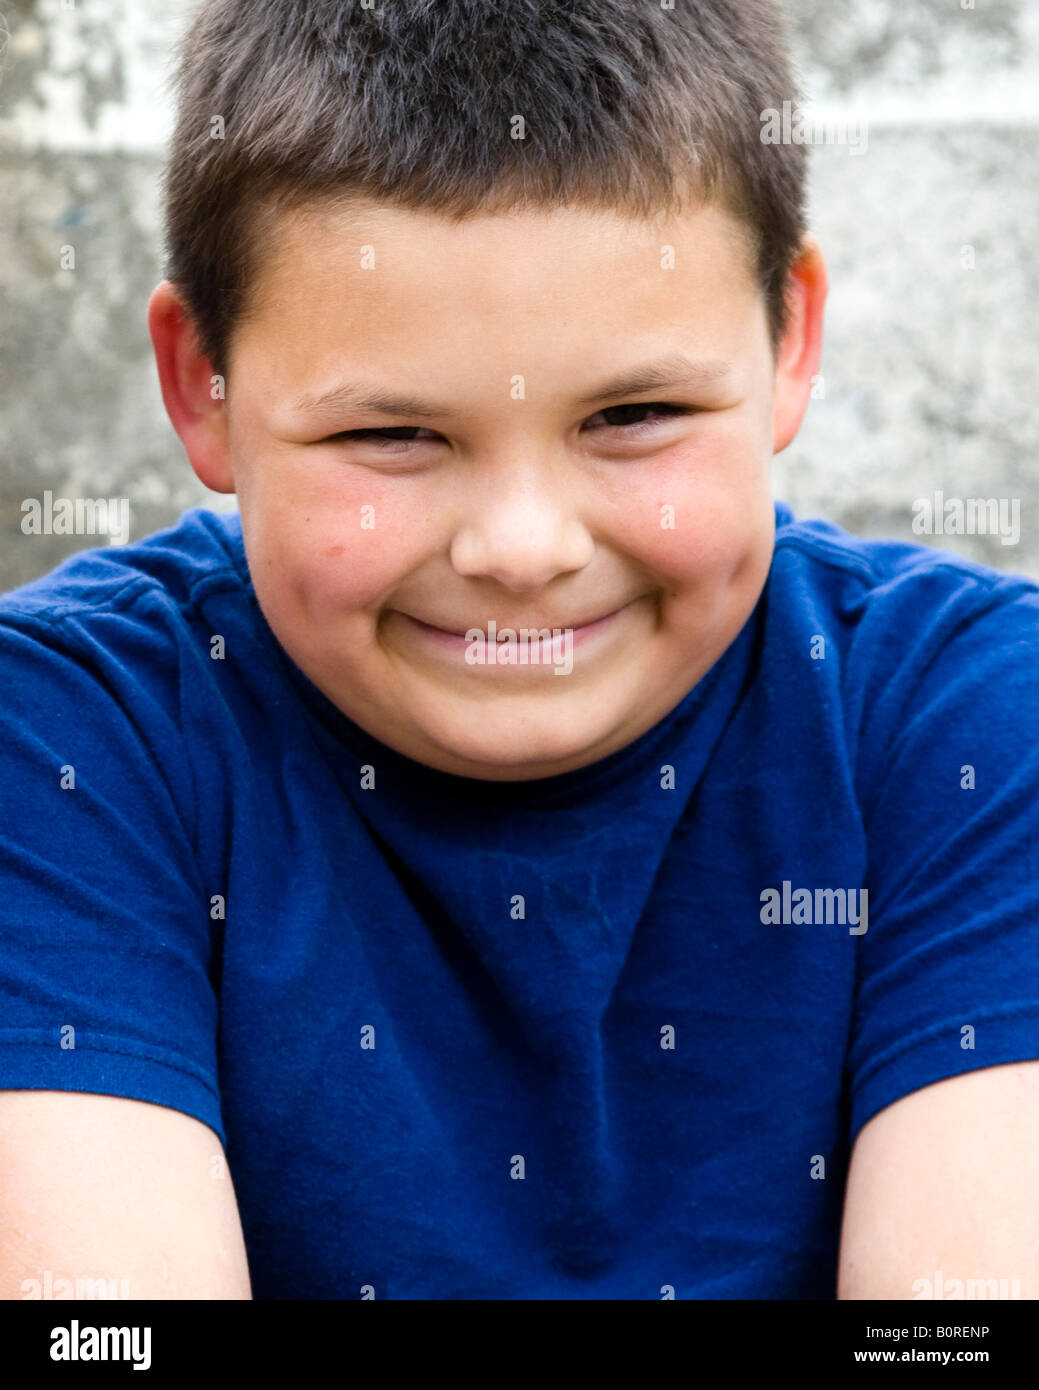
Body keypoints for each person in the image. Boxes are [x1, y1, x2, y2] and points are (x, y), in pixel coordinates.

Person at [2, 0, 1038, 1301]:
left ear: (789, 338)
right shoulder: (65, 742)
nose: (523, 546)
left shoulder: (972, 725)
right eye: (394, 435)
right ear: (201, 378)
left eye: (634, 414)